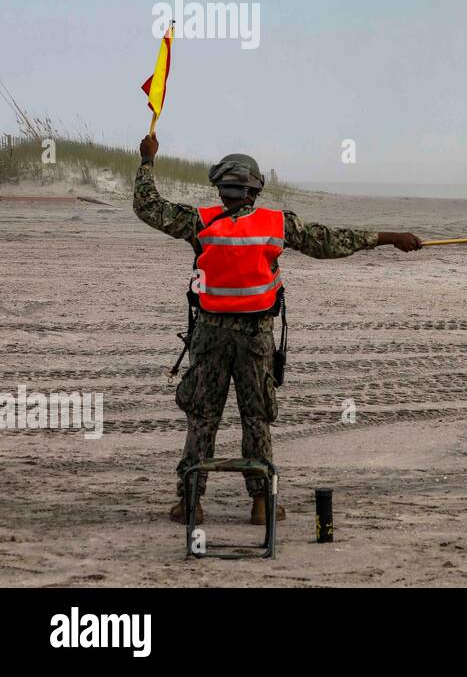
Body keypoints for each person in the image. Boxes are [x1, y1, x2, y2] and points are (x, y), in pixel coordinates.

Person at [133, 134, 421, 525]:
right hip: (256, 337)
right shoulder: (276, 224)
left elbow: (148, 206)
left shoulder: (199, 221)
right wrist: (388, 238)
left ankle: (191, 503)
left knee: (202, 417)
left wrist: (147, 161)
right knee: (256, 417)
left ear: (220, 187)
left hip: (210, 336)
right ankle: (262, 504)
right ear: (255, 188)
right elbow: (329, 241)